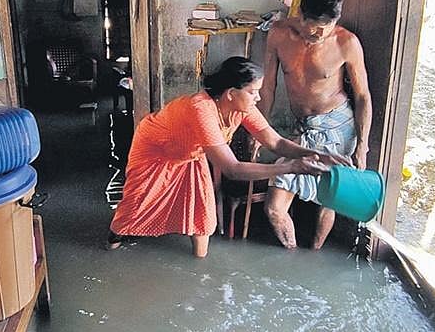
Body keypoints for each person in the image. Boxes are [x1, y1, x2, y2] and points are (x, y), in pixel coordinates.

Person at [107, 57, 348, 258]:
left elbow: (275, 142)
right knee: (135, 207)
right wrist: (292, 167)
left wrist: (317, 155)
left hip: (190, 154)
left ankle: (199, 269)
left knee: (201, 213)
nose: (259, 98)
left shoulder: (244, 108)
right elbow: (232, 169)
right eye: (253, 92)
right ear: (231, 93)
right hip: (155, 150)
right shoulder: (201, 110)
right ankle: (113, 243)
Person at [259, 0, 372, 250]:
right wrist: (259, 130)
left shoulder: (347, 43)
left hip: (338, 126)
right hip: (303, 128)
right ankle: (293, 254)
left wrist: (363, 146)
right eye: (315, 26)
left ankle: (314, 255)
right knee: (274, 208)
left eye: (328, 26)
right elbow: (268, 87)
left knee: (328, 198)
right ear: (301, 15)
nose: (320, 33)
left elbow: (363, 97)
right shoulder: (278, 35)